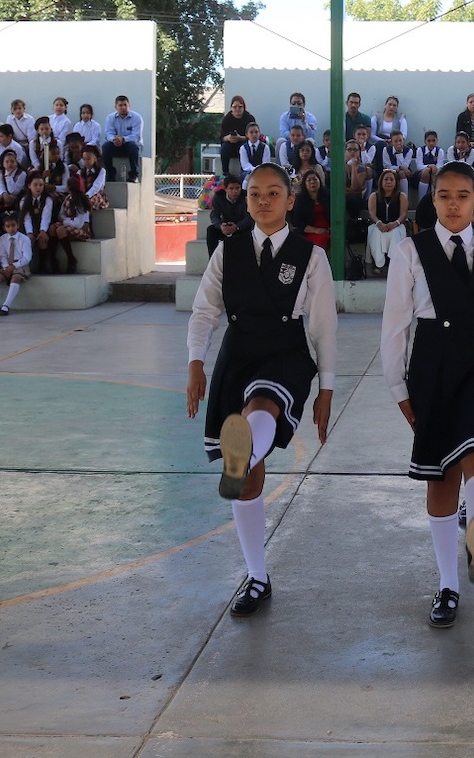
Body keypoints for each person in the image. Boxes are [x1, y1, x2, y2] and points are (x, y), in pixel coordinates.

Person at [380, 161, 474, 629]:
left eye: (462, 195)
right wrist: (397, 385)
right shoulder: (410, 250)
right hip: (434, 363)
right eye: (444, 195)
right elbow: (395, 325)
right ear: (433, 199)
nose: (452, 203)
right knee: (441, 474)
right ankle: (448, 584)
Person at [186, 162, 336, 618]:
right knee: (251, 482)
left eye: (274, 193)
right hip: (238, 352)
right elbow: (204, 311)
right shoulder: (227, 251)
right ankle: (256, 577)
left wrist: (326, 388)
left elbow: (324, 328)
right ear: (245, 199)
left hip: (285, 351)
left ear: (291, 201)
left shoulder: (311, 255)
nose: (263, 200)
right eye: (255, 194)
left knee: (263, 404)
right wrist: (196, 363)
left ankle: (243, 454)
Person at [367, 168, 409, 276]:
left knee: (395, 233)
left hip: (397, 225)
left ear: (396, 183)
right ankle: (378, 263)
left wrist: (395, 224)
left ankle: (394, 262)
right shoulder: (374, 196)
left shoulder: (401, 196)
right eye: (386, 179)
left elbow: (403, 214)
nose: (389, 182)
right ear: (381, 182)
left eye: (391, 179)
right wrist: (379, 224)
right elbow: (372, 214)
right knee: (376, 232)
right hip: (378, 224)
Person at [101, 95, 144, 182]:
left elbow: (136, 136)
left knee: (133, 145)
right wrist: (114, 139)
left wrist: (123, 139)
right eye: (120, 105)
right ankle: (110, 173)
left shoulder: (137, 118)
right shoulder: (110, 118)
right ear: (116, 107)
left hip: (130, 146)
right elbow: (109, 133)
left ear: (129, 106)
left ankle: (133, 174)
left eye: (125, 105)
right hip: (116, 145)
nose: (123, 107)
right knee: (105, 146)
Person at [207, 174, 250, 256]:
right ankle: (212, 260)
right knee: (211, 230)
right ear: (226, 189)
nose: (235, 191)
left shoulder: (246, 196)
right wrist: (220, 226)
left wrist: (237, 227)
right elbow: (214, 214)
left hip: (242, 228)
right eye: (231, 188)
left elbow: (249, 217)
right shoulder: (219, 197)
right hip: (226, 227)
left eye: (237, 188)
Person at [292, 169, 331, 250]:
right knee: (319, 243)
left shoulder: (328, 195)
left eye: (315, 179)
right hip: (311, 231)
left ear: (320, 181)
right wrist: (316, 230)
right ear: (304, 184)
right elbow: (298, 222)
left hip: (329, 230)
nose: (312, 182)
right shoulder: (300, 199)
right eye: (309, 180)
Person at [220, 95, 255, 178]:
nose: (237, 109)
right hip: (230, 145)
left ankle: (243, 171)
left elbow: (253, 137)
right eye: (234, 107)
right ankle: (225, 172)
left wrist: (240, 138)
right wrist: (228, 137)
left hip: (244, 143)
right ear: (231, 108)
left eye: (240, 107)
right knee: (225, 147)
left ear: (244, 107)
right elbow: (221, 137)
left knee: (243, 147)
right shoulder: (227, 119)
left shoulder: (249, 118)